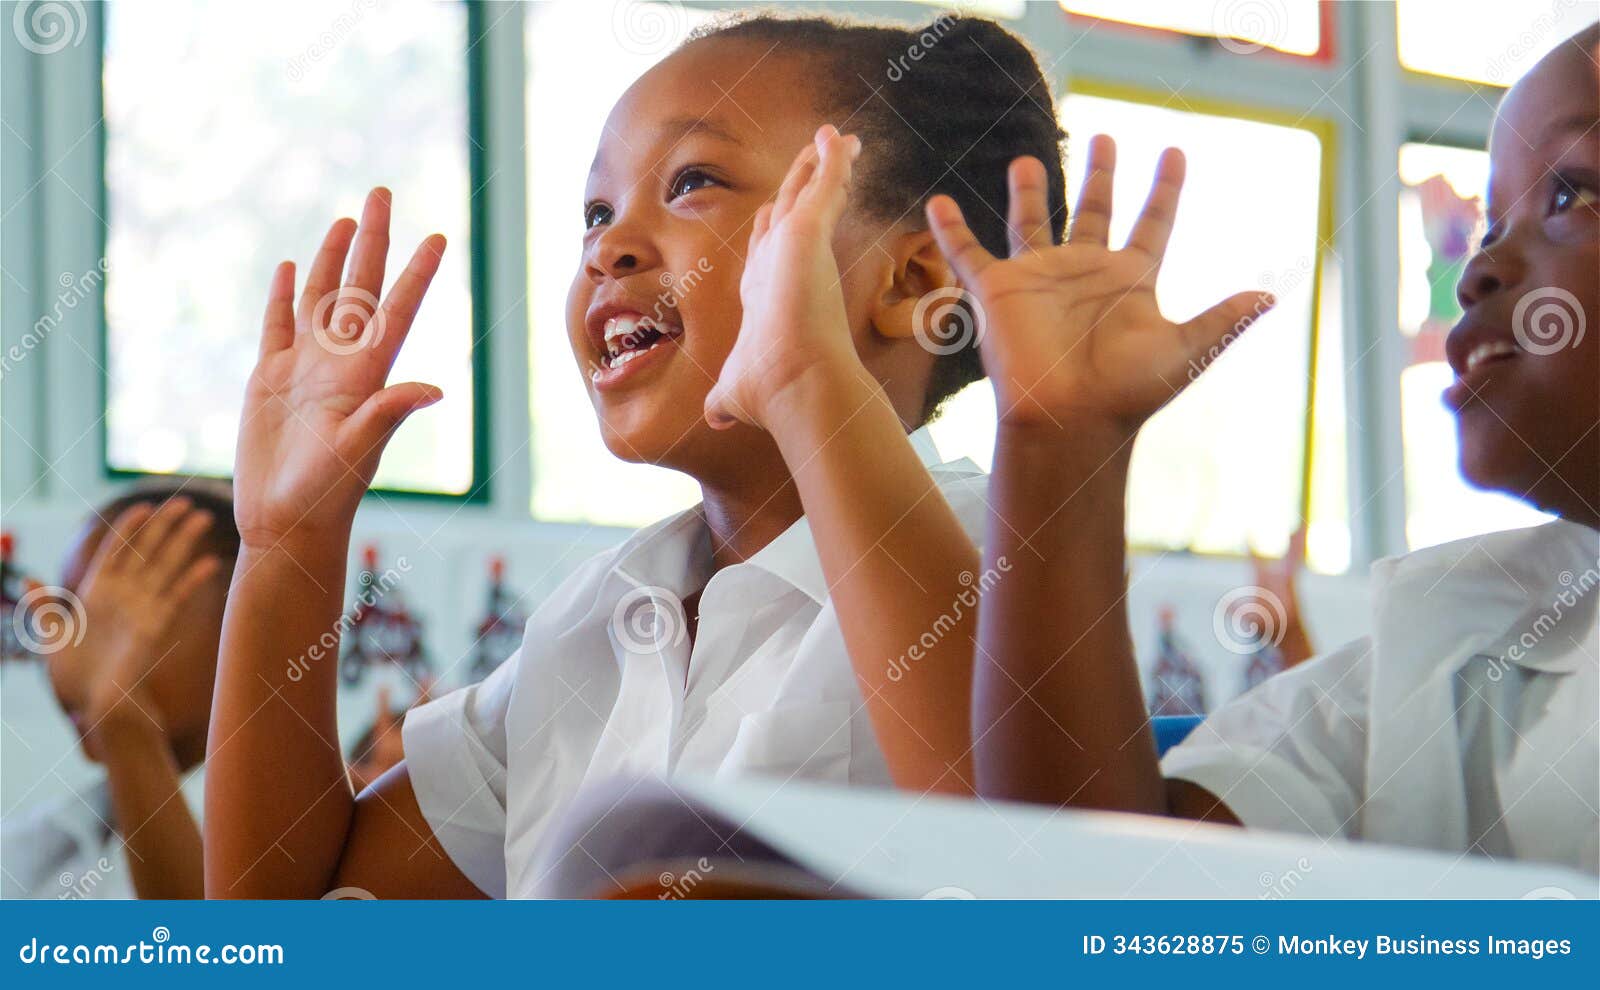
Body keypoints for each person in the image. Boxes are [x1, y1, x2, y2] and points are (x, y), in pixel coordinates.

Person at [205, 14, 1068, 898]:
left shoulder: (999, 559)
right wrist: (286, 545)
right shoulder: (594, 623)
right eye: (596, 212)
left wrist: (813, 384)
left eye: (693, 181)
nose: (606, 249)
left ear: (911, 283)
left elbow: (1033, 874)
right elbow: (285, 921)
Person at [965, 24, 1599, 872]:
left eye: (1573, 195)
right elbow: (1098, 893)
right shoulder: (1446, 651)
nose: (1480, 269)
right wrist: (1063, 446)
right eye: (1486, 226)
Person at [2, 480, 237, 898]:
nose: (70, 653)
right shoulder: (68, 833)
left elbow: (212, 955)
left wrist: (119, 715)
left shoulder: (278, 830)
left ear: (236, 638)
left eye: (119, 620)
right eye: (72, 614)